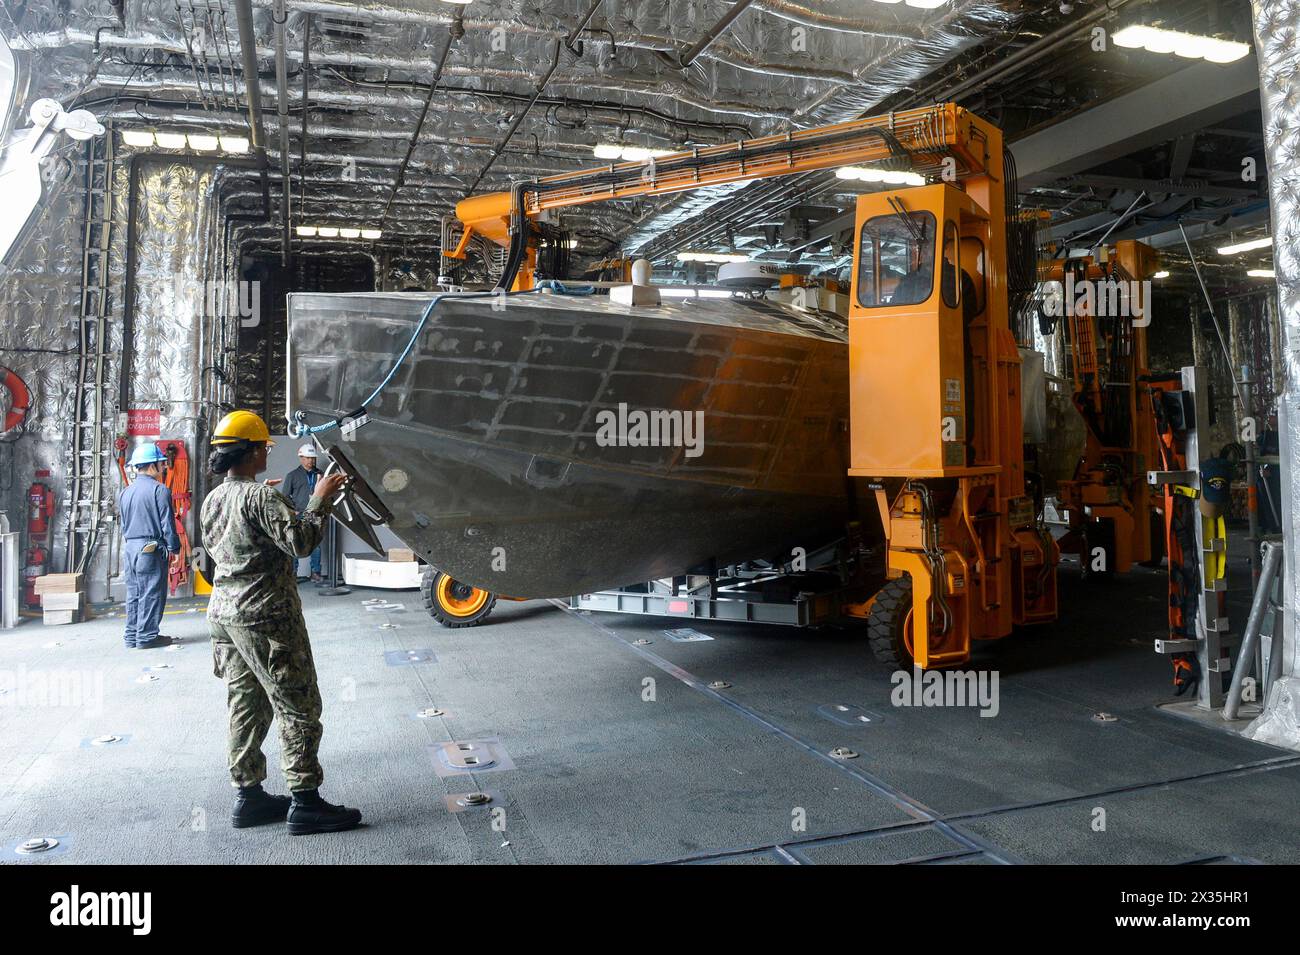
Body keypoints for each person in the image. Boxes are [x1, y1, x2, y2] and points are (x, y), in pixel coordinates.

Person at [200, 410, 361, 834]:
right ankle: (305, 802)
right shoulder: (259, 498)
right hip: (267, 617)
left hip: (224, 616)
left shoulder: (215, 498)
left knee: (245, 706)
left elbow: (230, 542)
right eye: (264, 448)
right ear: (252, 452)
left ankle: (248, 798)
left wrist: (267, 502)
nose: (267, 454)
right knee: (298, 704)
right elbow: (302, 543)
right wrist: (319, 498)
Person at [119, 444, 181, 650]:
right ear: (152, 466)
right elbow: (167, 523)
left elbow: (123, 524)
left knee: (134, 592)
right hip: (150, 548)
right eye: (161, 463)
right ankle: (146, 636)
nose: (164, 467)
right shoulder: (159, 490)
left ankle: (131, 635)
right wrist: (175, 548)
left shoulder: (125, 492)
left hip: (130, 548)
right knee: (152, 592)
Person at [281, 444, 326, 583]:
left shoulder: (320, 474)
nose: (311, 461)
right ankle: (293, 574)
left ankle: (315, 573)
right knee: (295, 543)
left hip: (316, 514)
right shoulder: (292, 476)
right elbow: (285, 496)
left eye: (313, 458)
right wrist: (292, 510)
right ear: (301, 458)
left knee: (316, 545)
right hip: (298, 514)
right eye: (308, 458)